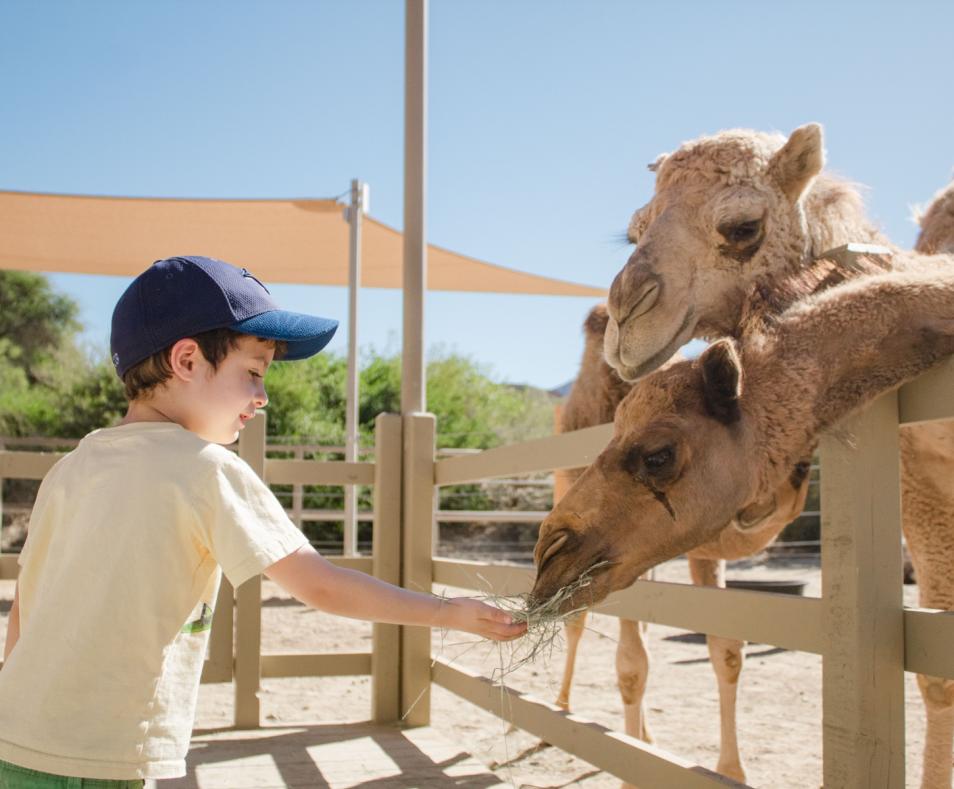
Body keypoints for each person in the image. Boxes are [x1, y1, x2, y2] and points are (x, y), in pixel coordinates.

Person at [0, 255, 525, 787]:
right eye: (253, 373)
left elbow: (25, 607)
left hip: (13, 737)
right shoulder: (207, 469)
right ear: (186, 359)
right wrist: (448, 612)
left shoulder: (70, 468)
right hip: (99, 758)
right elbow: (321, 586)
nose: (263, 396)